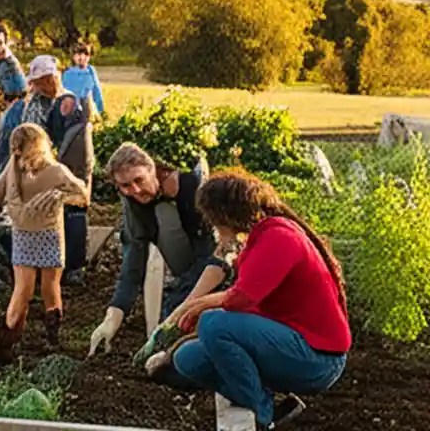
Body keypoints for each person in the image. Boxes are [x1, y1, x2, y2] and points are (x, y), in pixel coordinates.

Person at [158, 172, 349, 430]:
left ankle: (262, 414)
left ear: (226, 214)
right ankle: (268, 401)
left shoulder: (279, 236)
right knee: (187, 359)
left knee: (214, 323)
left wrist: (199, 305)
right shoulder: (260, 237)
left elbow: (241, 299)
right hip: (287, 342)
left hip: (317, 358)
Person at [87, 142, 229, 357]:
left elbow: (212, 252)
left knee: (180, 311)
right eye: (125, 186)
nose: (134, 190)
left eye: (139, 180)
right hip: (186, 265)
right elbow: (133, 262)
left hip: (219, 266)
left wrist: (187, 300)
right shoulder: (134, 204)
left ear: (153, 170)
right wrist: (113, 317)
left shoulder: (194, 190)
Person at [0, 55, 94, 290]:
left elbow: (81, 176)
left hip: (51, 209)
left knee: (71, 218)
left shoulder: (69, 109)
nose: (35, 87)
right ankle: (15, 275)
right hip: (28, 225)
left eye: (39, 81)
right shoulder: (27, 111)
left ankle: (64, 272)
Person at [0, 123, 89, 358]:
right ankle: (52, 340)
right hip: (50, 235)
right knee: (50, 288)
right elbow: (83, 196)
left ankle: (7, 341)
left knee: (22, 289)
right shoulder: (56, 171)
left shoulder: (13, 168)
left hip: (23, 233)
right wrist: (61, 196)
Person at [62, 42, 106, 117]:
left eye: (86, 54)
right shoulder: (67, 74)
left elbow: (97, 91)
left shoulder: (90, 71)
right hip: (70, 110)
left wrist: (101, 110)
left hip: (87, 109)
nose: (82, 57)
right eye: (79, 54)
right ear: (73, 56)